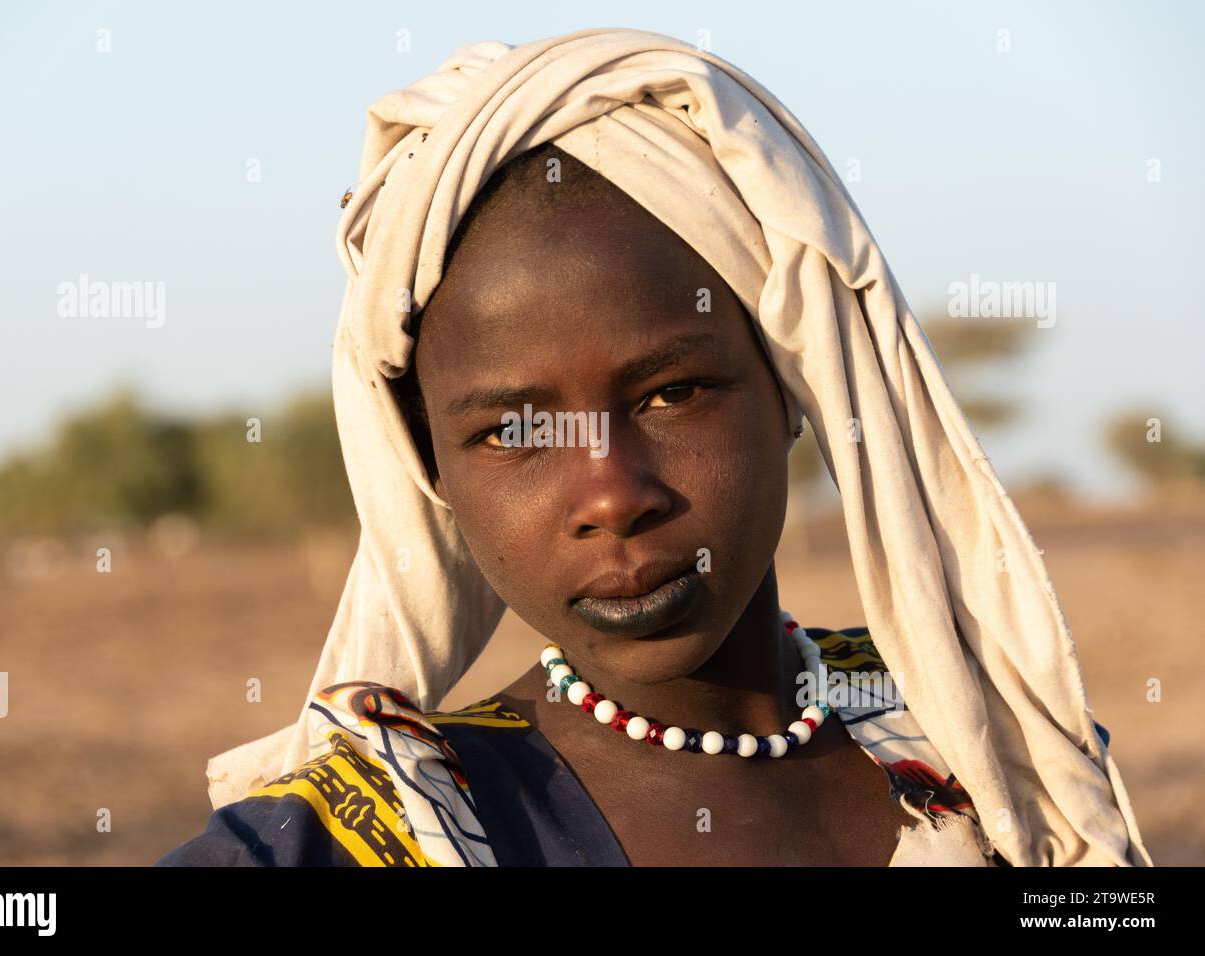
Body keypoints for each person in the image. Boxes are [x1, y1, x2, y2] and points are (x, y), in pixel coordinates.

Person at [157, 28, 1150, 867]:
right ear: (432, 468)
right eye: (511, 430)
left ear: (793, 384)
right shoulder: (344, 836)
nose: (610, 493)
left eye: (673, 391)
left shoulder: (998, 747)